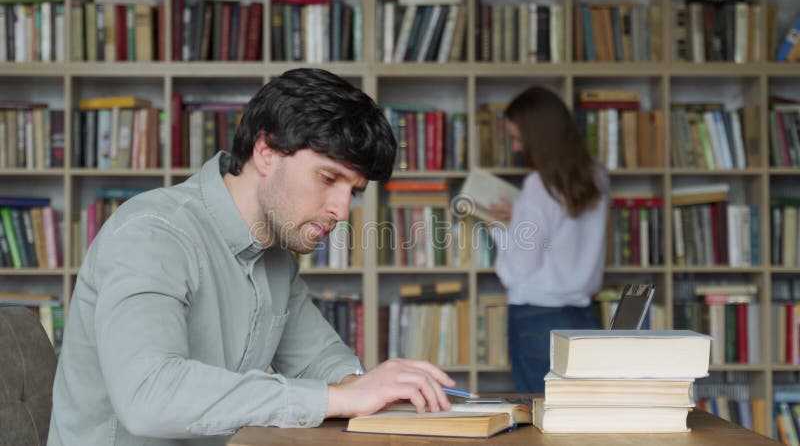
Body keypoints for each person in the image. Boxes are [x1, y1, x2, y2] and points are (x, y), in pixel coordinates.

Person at [49, 68, 456, 446]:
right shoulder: (154, 232)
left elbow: (317, 357)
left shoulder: (274, 253)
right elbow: (149, 395)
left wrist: (364, 385)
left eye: (354, 191)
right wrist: (338, 398)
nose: (342, 210)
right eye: (328, 178)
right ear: (265, 152)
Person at [488, 86, 609, 393]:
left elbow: (517, 269)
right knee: (581, 420)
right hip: (584, 318)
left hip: (537, 316)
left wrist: (496, 227)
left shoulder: (537, 186)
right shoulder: (597, 177)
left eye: (519, 138)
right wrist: (519, 215)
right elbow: (564, 229)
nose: (516, 148)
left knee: (541, 422)